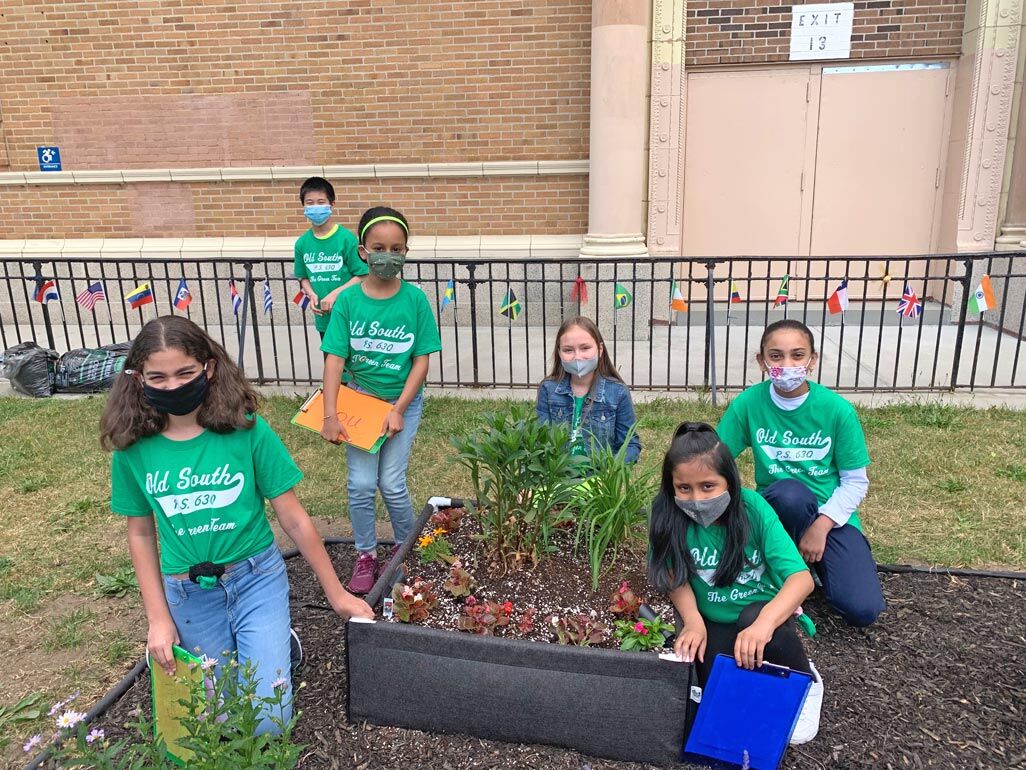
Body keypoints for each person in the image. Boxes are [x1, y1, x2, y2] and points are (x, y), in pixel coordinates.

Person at [101, 316, 373, 735]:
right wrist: (158, 618)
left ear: (208, 368)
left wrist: (336, 594)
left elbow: (294, 518)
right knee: (217, 723)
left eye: (185, 373)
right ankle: (266, 647)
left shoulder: (245, 428)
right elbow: (140, 532)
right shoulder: (133, 447)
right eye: (158, 377)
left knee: (267, 722)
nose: (172, 386)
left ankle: (280, 642)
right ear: (138, 379)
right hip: (188, 592)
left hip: (255, 578)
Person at [648, 422, 822, 744]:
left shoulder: (753, 509)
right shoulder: (665, 514)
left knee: (753, 624)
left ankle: (805, 681)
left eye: (708, 486)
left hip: (760, 614)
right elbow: (675, 576)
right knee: (711, 704)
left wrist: (765, 624)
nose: (696, 498)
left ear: (730, 480)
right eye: (684, 488)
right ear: (671, 486)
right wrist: (693, 621)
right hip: (712, 620)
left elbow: (800, 579)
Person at [716, 319, 886, 628]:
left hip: (830, 516)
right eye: (776, 356)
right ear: (762, 361)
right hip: (779, 509)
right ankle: (785, 569)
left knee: (862, 609)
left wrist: (821, 527)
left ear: (812, 360)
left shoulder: (837, 410)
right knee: (790, 493)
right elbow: (716, 458)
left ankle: (813, 567)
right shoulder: (749, 403)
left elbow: (855, 482)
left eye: (797, 355)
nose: (787, 364)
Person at [320, 206, 442, 594]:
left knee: (391, 483)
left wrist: (399, 410)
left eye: (396, 248)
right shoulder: (348, 302)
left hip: (401, 402)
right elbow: (335, 360)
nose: (387, 255)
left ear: (406, 251)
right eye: (378, 247)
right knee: (359, 484)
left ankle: (408, 550)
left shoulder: (415, 301)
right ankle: (366, 554)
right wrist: (330, 414)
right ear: (362, 251)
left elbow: (421, 361)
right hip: (359, 403)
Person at [535, 316, 641, 465]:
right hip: (557, 480)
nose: (577, 357)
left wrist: (610, 470)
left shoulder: (617, 392)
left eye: (585, 348)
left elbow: (630, 445)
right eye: (568, 350)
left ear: (600, 349)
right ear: (559, 352)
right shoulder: (548, 389)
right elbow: (537, 440)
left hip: (598, 479)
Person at [293, 176, 368, 339]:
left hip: (351, 315)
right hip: (323, 318)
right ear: (303, 206)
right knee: (331, 363)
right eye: (310, 203)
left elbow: (363, 274)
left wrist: (335, 294)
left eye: (321, 202)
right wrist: (311, 293)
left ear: (332, 204)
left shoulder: (346, 239)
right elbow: (303, 276)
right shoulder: (301, 244)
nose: (315, 207)